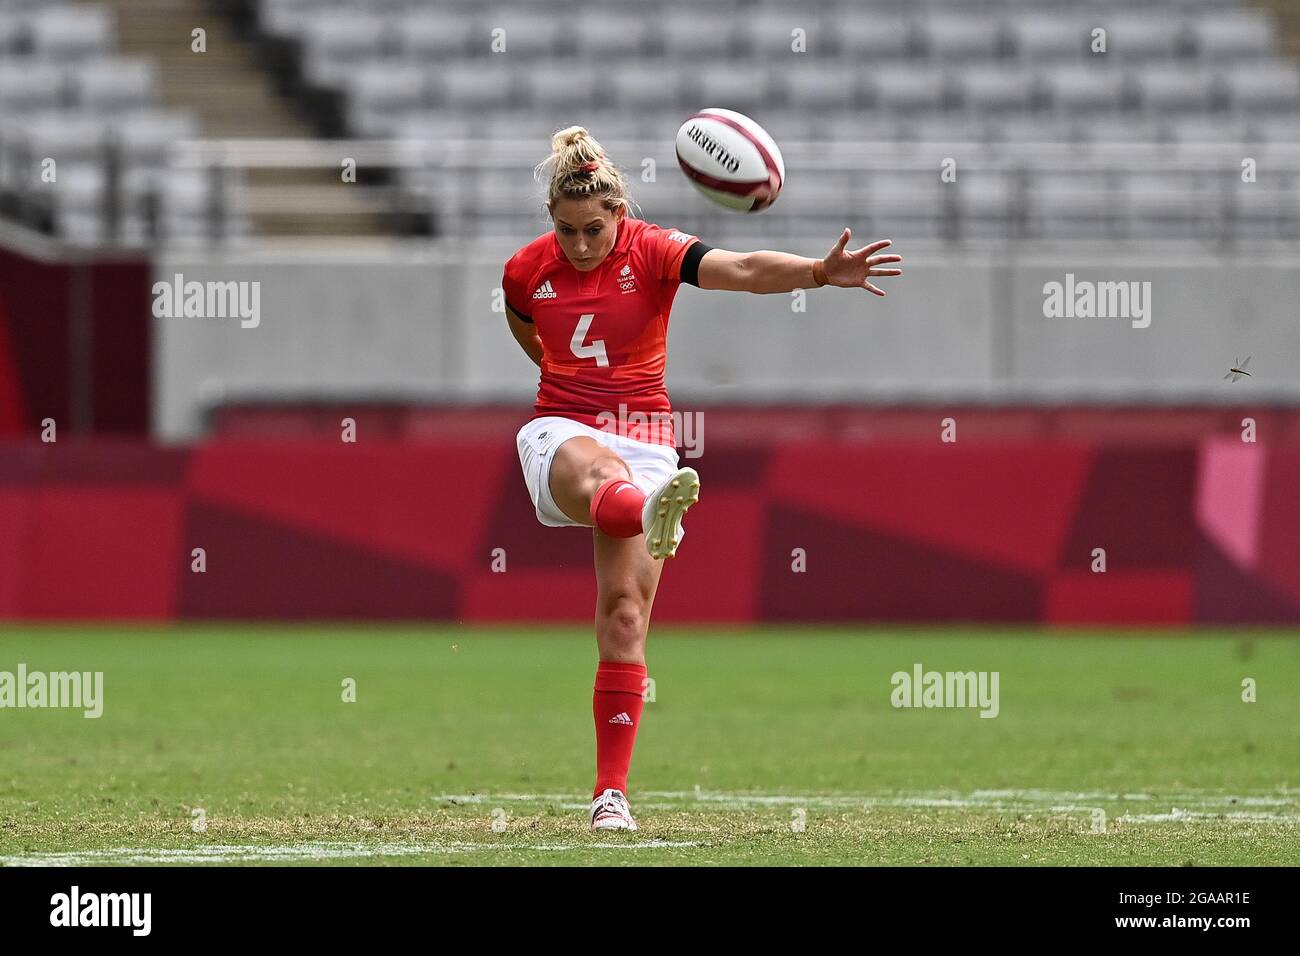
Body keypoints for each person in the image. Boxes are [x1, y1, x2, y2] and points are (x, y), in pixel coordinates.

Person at [501, 126, 902, 831]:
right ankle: (652, 504)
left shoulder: (653, 250)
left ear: (619, 215)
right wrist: (570, 387)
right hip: (561, 427)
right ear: (550, 223)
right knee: (597, 472)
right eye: (566, 231)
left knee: (625, 617)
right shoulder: (525, 270)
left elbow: (743, 269)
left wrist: (817, 272)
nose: (582, 244)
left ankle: (609, 795)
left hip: (648, 434)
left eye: (594, 229)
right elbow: (528, 331)